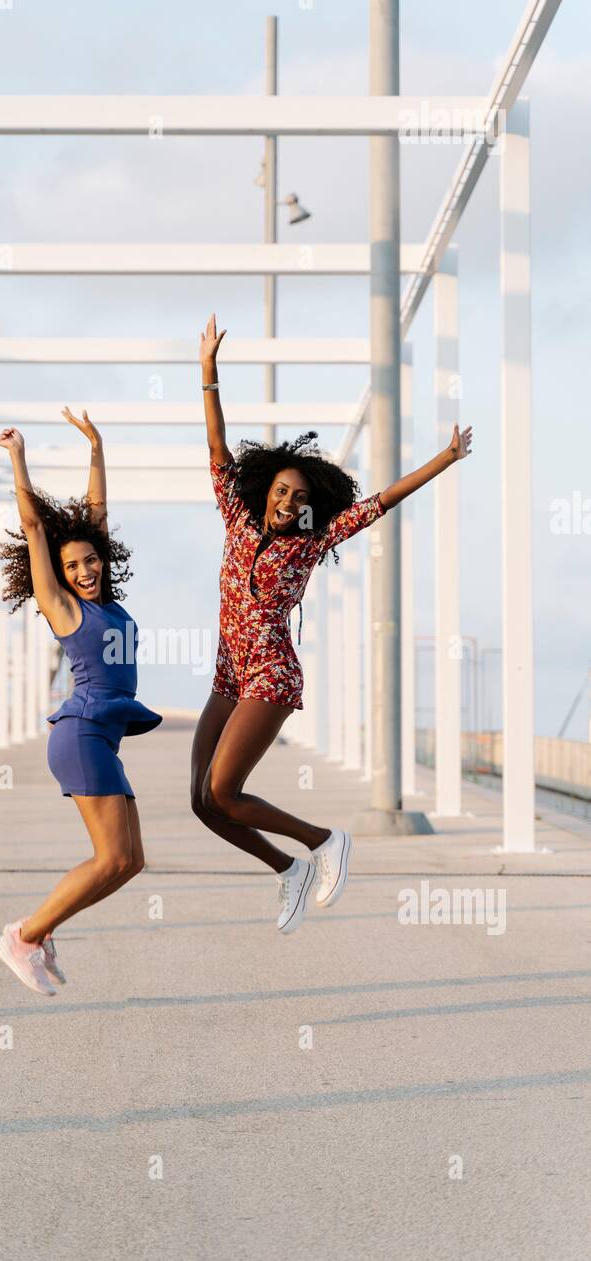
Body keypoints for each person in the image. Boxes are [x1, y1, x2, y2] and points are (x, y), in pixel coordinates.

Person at [192, 313, 472, 934]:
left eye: (299, 498)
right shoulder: (237, 520)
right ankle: (287, 870)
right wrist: (208, 372)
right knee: (201, 801)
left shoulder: (311, 542)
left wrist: (445, 458)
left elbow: (378, 503)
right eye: (282, 493)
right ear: (265, 490)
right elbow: (217, 447)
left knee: (227, 790)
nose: (290, 504)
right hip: (227, 674)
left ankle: (324, 841)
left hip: (269, 675)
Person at [0, 408, 161, 995]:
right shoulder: (64, 608)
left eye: (91, 560)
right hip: (82, 734)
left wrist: (97, 447)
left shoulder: (107, 599)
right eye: (73, 566)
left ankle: (40, 931)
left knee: (131, 861)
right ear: (58, 577)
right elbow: (38, 530)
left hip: (102, 738)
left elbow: (96, 517)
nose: (85, 570)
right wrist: (19, 457)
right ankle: (24, 935)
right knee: (112, 858)